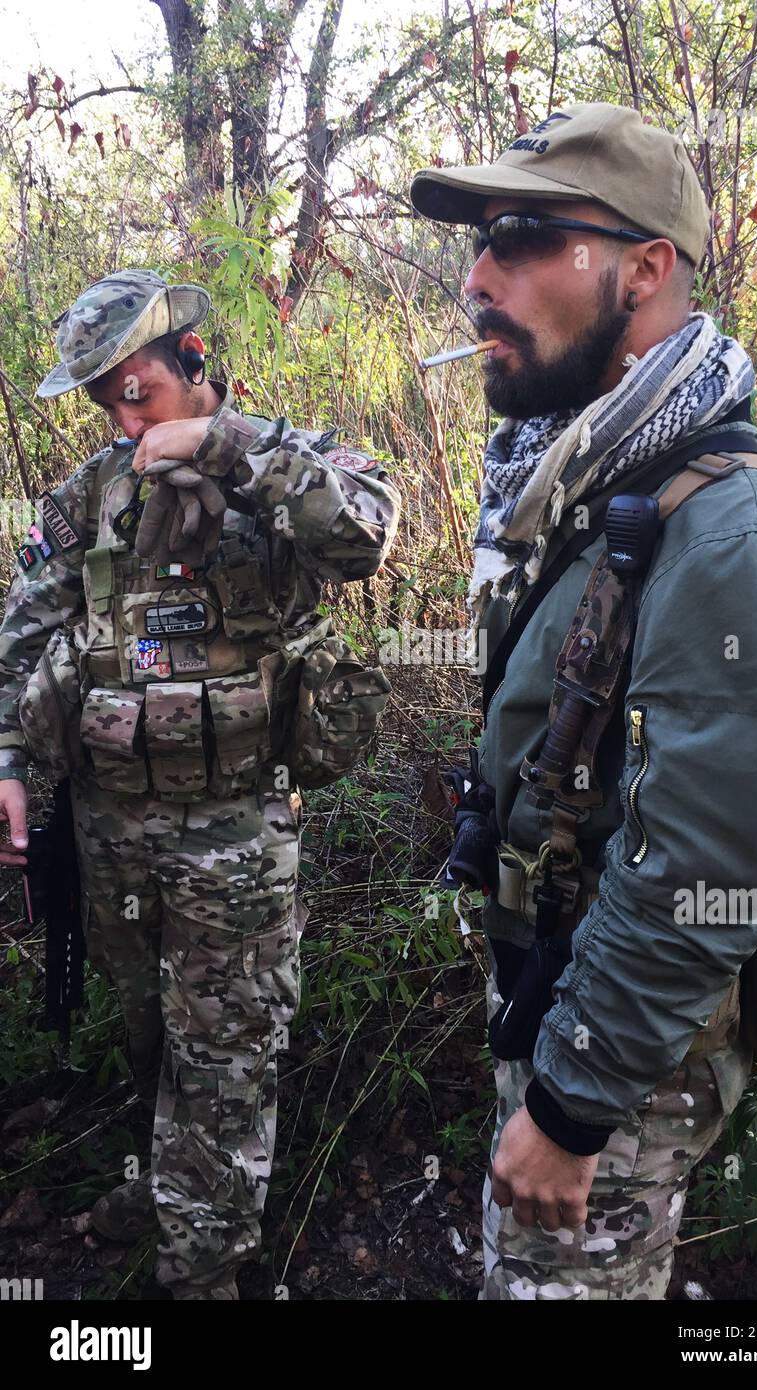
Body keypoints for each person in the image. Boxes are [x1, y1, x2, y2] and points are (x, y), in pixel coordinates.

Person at [410, 102, 757, 1300]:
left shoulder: (737, 536)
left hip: (619, 1068)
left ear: (644, 268)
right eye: (476, 239)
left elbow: (702, 875)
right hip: (554, 992)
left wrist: (569, 1107)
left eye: (515, 233)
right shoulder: (590, 478)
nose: (475, 277)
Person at [0, 270, 400, 1299]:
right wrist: (8, 762)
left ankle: (205, 1264)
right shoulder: (92, 494)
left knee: (225, 1049)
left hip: (235, 827)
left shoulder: (286, 460)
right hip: (112, 822)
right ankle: (171, 1183)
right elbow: (29, 633)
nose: (121, 414)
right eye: (102, 398)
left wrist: (225, 452)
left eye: (135, 388)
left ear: (192, 360)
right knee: (149, 1031)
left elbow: (363, 530)